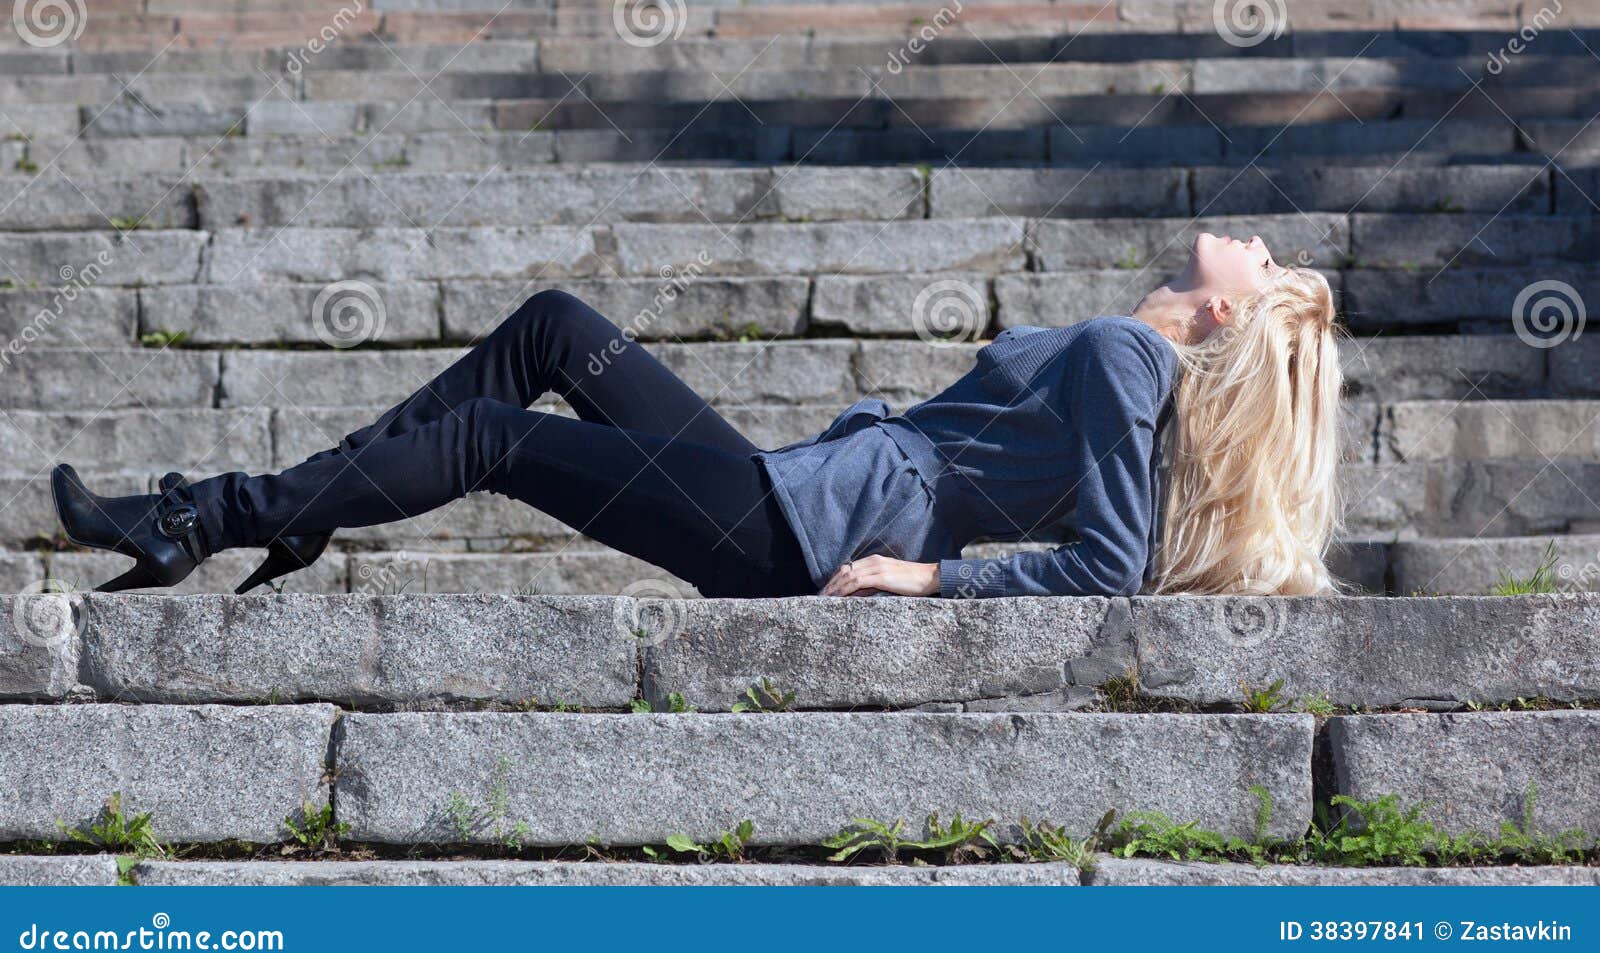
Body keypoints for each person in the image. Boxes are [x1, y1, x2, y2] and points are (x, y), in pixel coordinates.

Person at [51, 232, 1342, 599]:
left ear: (1229, 319)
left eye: (1267, 263)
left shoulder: (1129, 359)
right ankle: (306, 506)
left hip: (797, 532)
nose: (1255, 240)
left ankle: (207, 518)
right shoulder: (1125, 350)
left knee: (497, 441)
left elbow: (1113, 564)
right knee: (556, 326)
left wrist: (932, 584)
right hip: (794, 490)